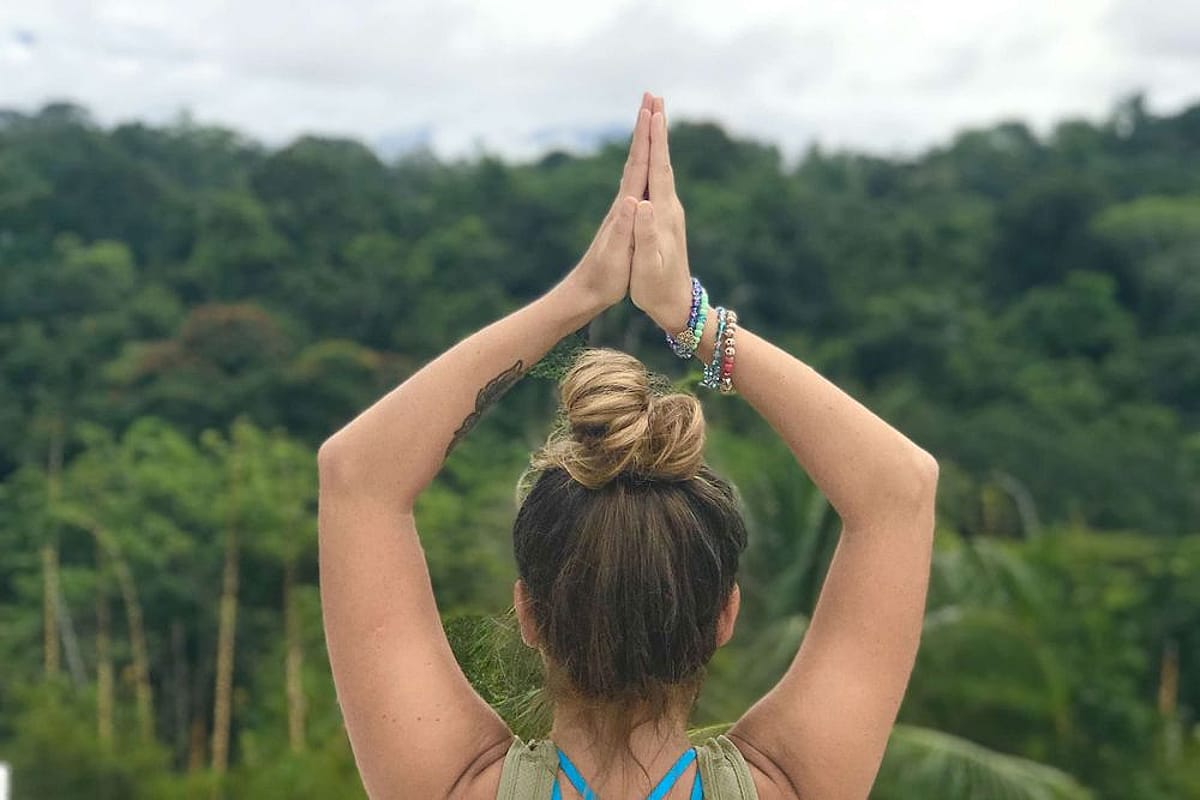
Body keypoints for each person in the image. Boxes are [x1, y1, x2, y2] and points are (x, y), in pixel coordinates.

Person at [317, 92, 939, 800]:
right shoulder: (791, 786)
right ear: (724, 618)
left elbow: (357, 475)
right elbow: (901, 490)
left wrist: (578, 296)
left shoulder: (453, 786)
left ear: (528, 615)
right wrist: (689, 316)